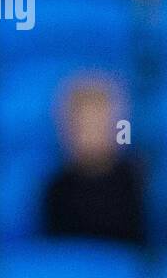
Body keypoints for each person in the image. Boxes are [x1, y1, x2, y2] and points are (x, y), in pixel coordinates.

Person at [42, 75, 147, 245]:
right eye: (84, 125)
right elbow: (53, 256)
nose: (92, 134)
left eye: (99, 124)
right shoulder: (56, 189)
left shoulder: (135, 181)